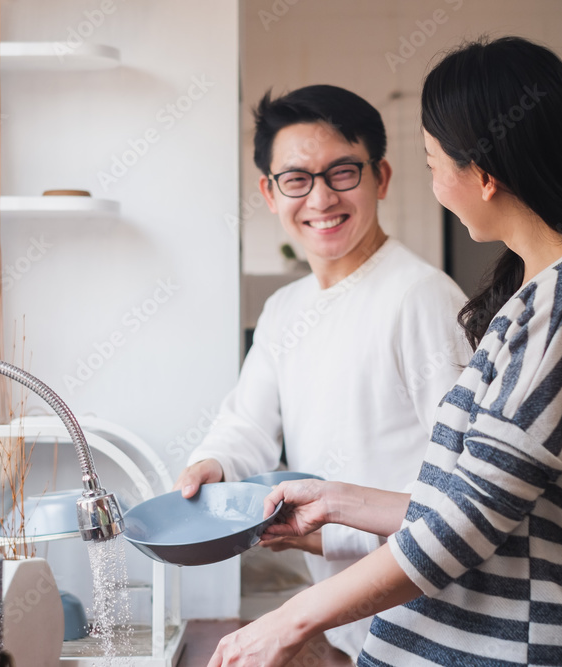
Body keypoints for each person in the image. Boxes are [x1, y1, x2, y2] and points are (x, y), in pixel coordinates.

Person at [207, 36, 562, 667]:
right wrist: (334, 502)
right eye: (297, 180)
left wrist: (288, 622)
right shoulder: (541, 294)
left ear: (484, 171)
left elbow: (466, 522)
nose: (435, 181)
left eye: (433, 160)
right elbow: (472, 496)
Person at [173, 84, 470, 658]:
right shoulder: (286, 309)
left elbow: (459, 493)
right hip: (346, 630)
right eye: (296, 179)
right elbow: (248, 427)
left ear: (380, 177)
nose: (320, 198)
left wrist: (323, 533)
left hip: (432, 630)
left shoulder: (422, 297)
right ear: (269, 191)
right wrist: (213, 466)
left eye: (342, 172)